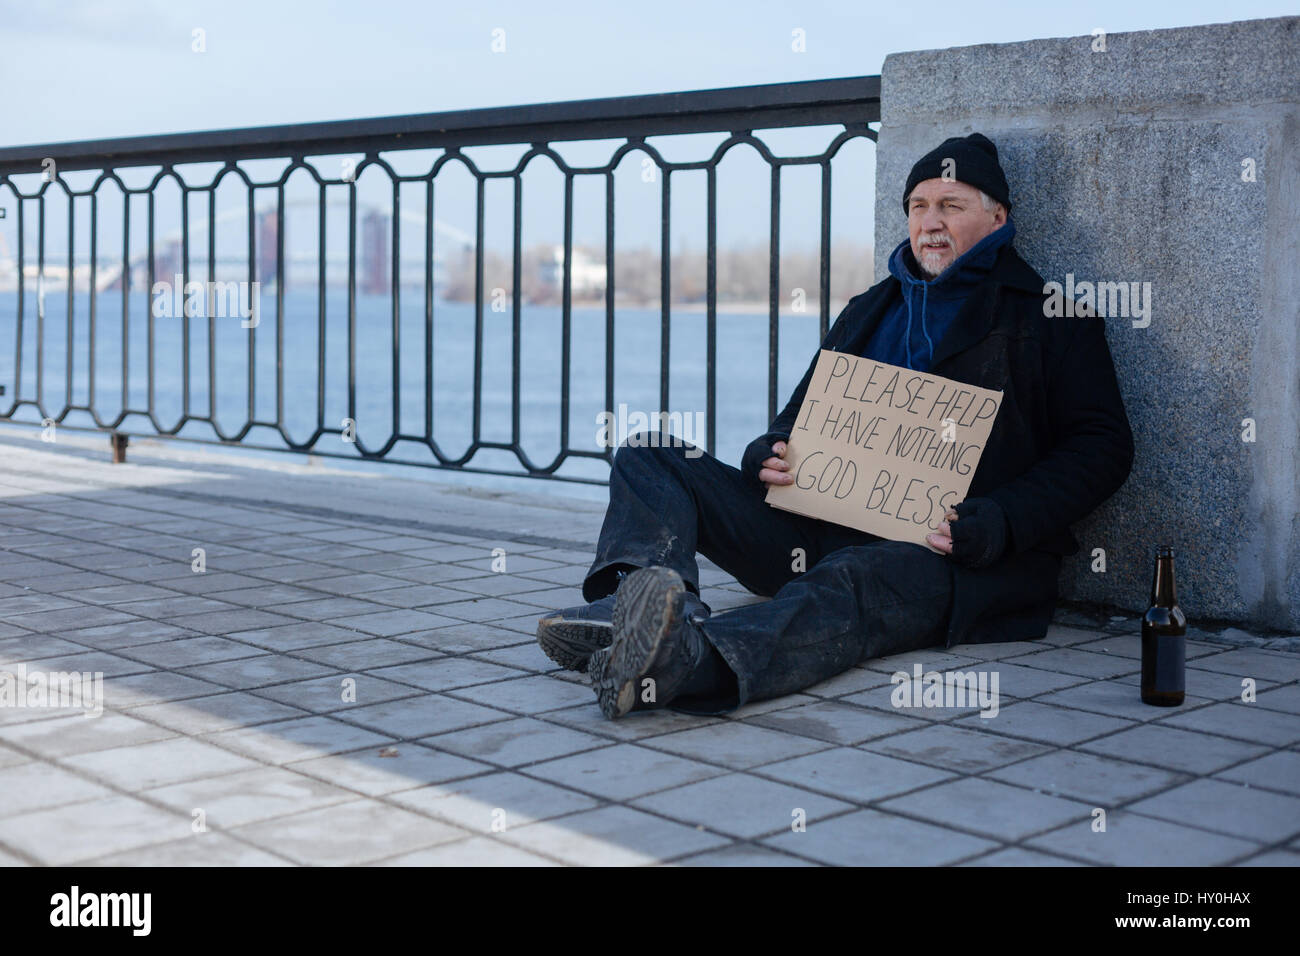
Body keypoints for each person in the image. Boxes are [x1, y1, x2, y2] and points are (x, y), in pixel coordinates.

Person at [536, 132, 1134, 720]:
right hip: (819, 529)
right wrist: (766, 451)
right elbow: (797, 418)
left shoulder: (1054, 318)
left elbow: (1104, 447)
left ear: (997, 215)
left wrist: (1003, 520)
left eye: (951, 205)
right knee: (651, 454)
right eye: (919, 206)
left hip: (954, 555)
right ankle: (646, 608)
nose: (930, 222)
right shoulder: (870, 308)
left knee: (852, 582)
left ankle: (691, 661)